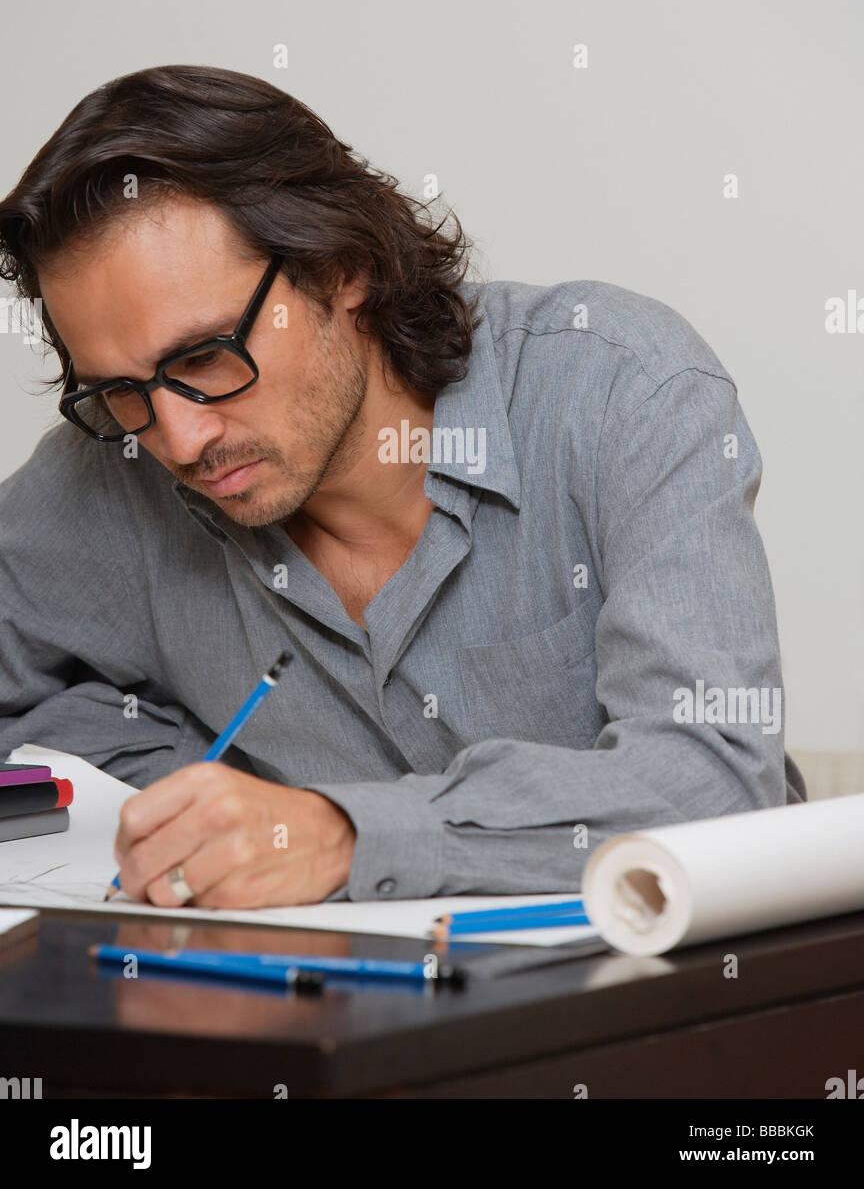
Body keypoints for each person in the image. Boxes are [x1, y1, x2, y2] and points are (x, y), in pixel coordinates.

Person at [0, 64, 806, 910]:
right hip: (349, 1021)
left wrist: (340, 836)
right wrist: (175, 776)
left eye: (204, 357)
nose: (181, 439)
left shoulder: (619, 389)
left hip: (681, 1009)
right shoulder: (116, 468)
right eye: (120, 391)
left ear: (340, 268)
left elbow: (713, 784)